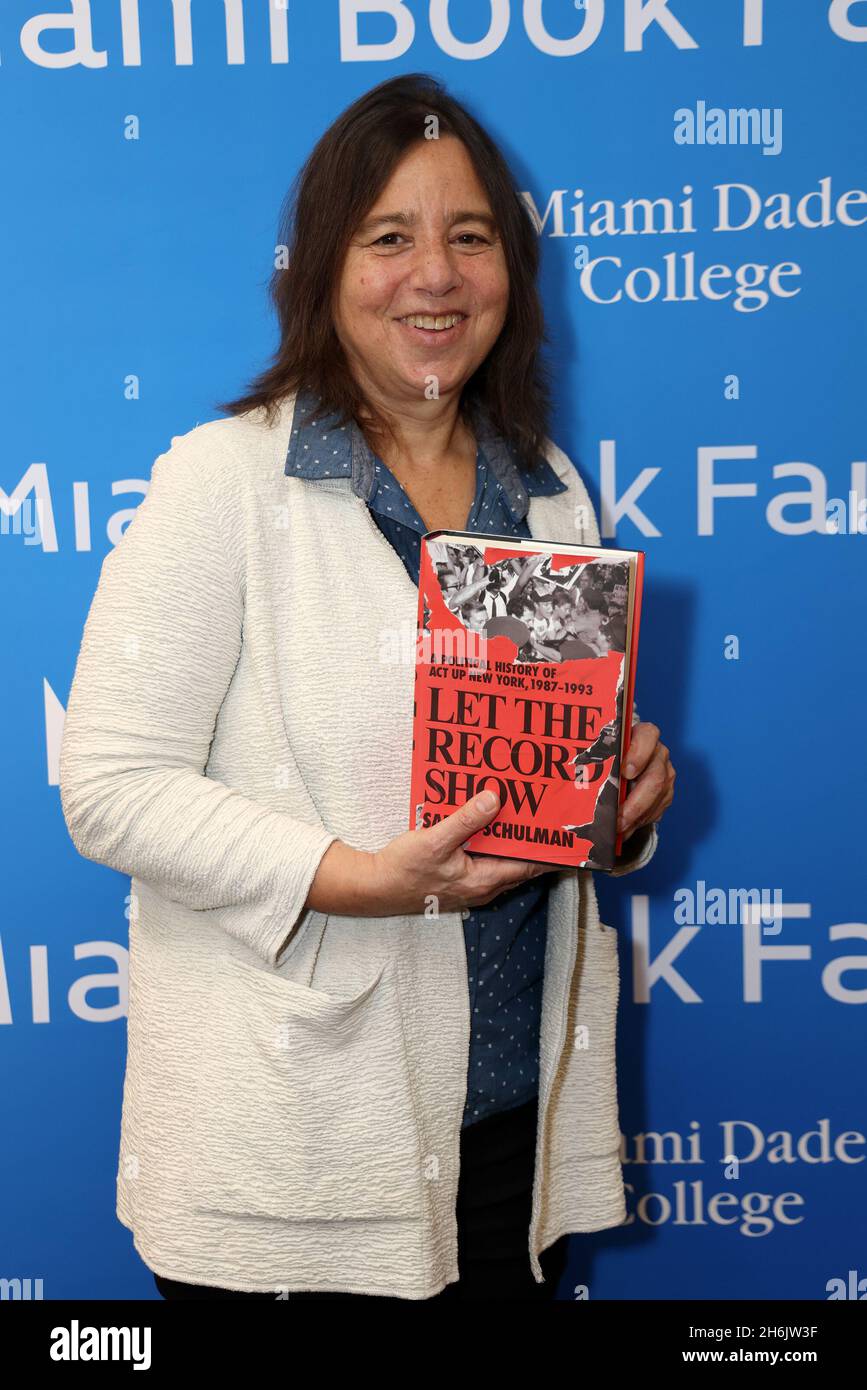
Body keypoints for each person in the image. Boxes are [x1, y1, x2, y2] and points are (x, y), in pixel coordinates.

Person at [58, 73, 675, 1303]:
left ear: (513, 267)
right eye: (389, 238)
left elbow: (530, 790)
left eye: (470, 236)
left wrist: (613, 809)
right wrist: (356, 880)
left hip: (508, 1134)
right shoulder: (225, 481)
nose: (434, 276)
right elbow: (110, 789)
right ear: (322, 270)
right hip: (296, 1150)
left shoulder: (545, 488)